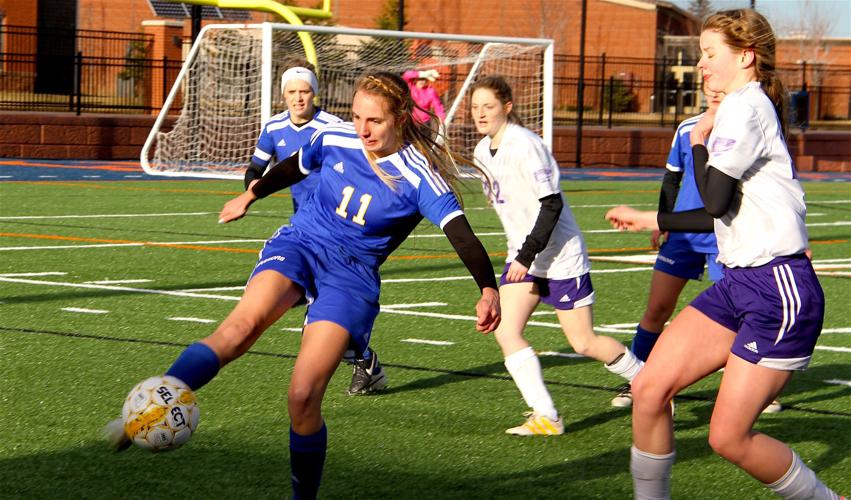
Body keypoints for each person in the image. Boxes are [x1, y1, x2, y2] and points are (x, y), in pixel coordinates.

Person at [107, 71, 501, 499]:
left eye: (375, 121)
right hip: (302, 242)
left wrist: (487, 288)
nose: (363, 129)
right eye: (356, 117)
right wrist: (250, 194)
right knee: (239, 330)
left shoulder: (419, 174)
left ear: (401, 117)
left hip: (351, 274)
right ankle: (150, 410)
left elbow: (460, 233)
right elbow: (296, 165)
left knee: (302, 396)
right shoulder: (337, 138)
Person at [605, 10, 841, 499]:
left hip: (779, 292)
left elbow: (712, 199)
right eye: (700, 56)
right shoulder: (740, 106)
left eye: (710, 54)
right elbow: (721, 211)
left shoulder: (743, 107)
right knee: (649, 391)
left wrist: (696, 141)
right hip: (738, 284)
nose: (702, 66)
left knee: (727, 437)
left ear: (746, 56)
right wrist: (654, 219)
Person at [470, 75, 643, 436]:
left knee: (584, 342)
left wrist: (525, 256)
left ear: (507, 107)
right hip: (525, 258)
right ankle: (547, 415)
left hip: (559, 256)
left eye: (488, 106)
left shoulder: (527, 145)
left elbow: (551, 206)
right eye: (475, 107)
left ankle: (651, 384)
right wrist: (521, 255)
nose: (480, 113)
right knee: (506, 331)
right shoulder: (481, 152)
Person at [609, 85, 783, 415]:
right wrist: (663, 219)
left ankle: (757, 388)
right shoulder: (687, 128)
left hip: (727, 236)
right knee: (657, 309)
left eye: (722, 89)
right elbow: (671, 179)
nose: (716, 93)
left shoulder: (746, 125)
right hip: (685, 236)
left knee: (739, 317)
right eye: (710, 89)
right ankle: (637, 378)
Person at [244, 63, 387, 396]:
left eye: (304, 91)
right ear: (283, 94)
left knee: (321, 311)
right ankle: (365, 363)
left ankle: (364, 363)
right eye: (292, 92)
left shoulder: (332, 128)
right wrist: (251, 190)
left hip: (339, 235)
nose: (298, 98)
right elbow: (256, 167)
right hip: (303, 233)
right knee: (294, 304)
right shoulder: (273, 126)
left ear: (314, 93)